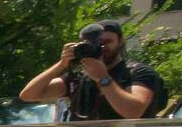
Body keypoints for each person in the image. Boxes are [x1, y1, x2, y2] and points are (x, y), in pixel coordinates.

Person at [19, 19, 167, 120]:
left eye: (108, 42)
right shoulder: (79, 77)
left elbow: (133, 111)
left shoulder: (138, 73)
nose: (102, 48)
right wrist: (61, 64)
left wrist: (103, 78)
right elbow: (29, 95)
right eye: (97, 43)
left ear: (121, 41)